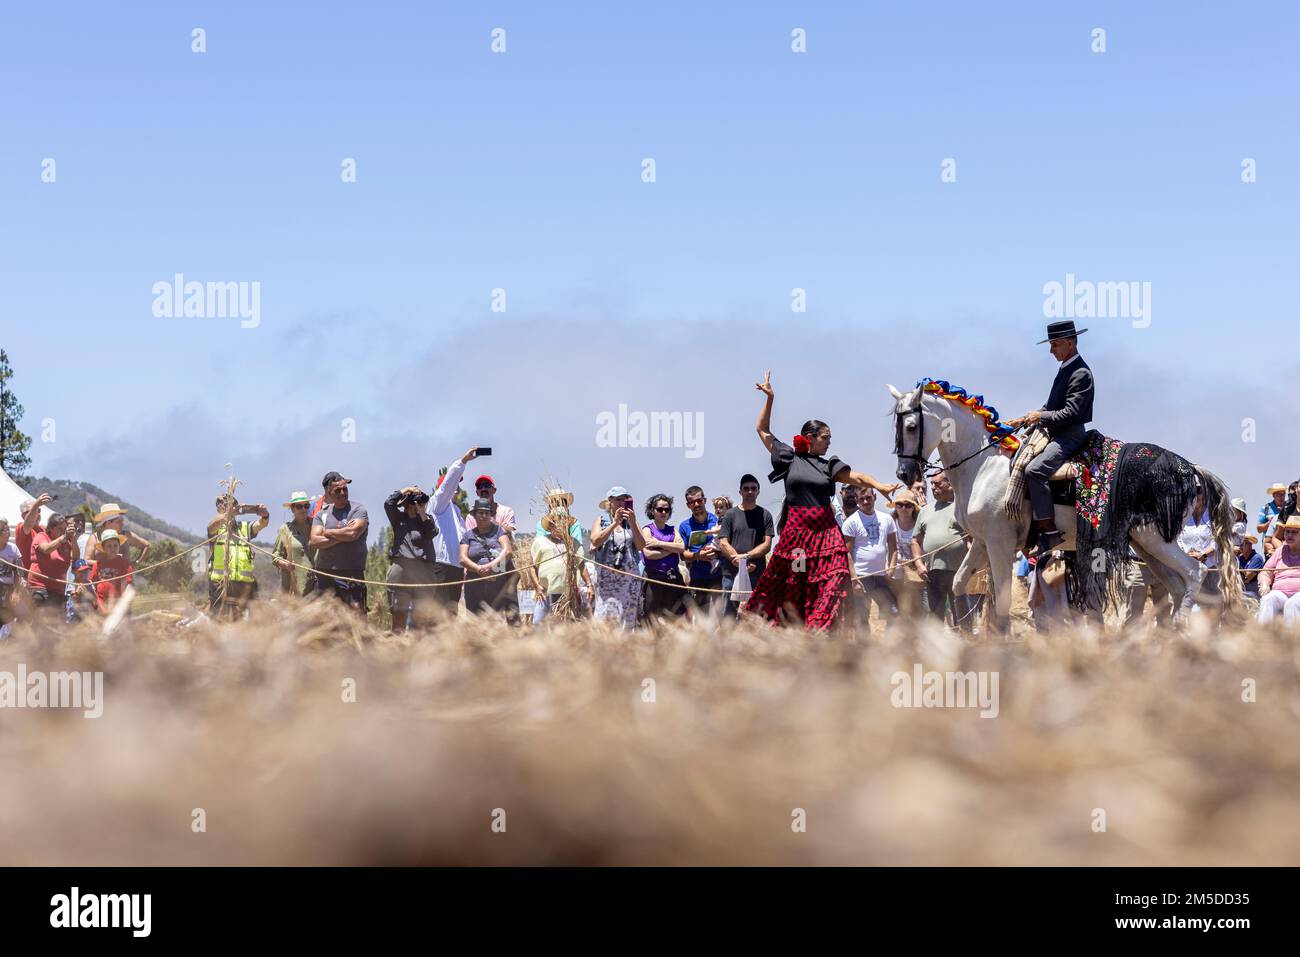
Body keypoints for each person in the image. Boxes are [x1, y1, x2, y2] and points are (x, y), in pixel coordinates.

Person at [744, 371, 900, 630]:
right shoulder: (788, 457)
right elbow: (762, 430)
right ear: (810, 437)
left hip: (827, 533)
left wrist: (880, 485)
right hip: (798, 536)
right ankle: (795, 631)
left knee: (836, 577)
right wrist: (770, 398)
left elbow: (858, 477)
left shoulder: (830, 466)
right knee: (796, 582)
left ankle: (822, 630)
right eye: (825, 437)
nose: (829, 442)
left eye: (829, 438)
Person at [1004, 320, 1096, 556]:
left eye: (1054, 344)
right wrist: (1024, 419)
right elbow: (1051, 405)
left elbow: (1072, 412)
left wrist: (1040, 416)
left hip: (1070, 435)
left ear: (1069, 343)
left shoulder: (1081, 373)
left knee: (1034, 470)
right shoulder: (1066, 368)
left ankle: (1048, 530)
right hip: (1057, 432)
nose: (1051, 350)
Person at [914, 470, 972, 629]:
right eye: (931, 484)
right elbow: (915, 540)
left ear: (950, 484)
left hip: (958, 571)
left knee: (961, 613)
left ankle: (966, 645)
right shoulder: (925, 510)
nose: (932, 487)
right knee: (935, 616)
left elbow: (973, 538)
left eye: (937, 483)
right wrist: (919, 563)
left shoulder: (962, 507)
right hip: (932, 572)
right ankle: (936, 648)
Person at [429, 449, 480, 615]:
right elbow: (446, 486)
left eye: (458, 484)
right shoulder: (438, 503)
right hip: (441, 566)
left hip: (455, 568)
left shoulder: (456, 511)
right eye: (455, 484)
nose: (457, 487)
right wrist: (463, 461)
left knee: (451, 613)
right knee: (438, 613)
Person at [309, 472, 369, 613]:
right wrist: (344, 533)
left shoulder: (358, 510)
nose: (343, 493)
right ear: (329, 492)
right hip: (326, 573)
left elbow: (353, 533)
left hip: (352, 572)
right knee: (325, 616)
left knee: (356, 614)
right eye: (338, 490)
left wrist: (327, 532)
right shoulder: (321, 514)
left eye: (345, 489)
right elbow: (315, 540)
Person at [716, 474, 774, 617]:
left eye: (753, 489)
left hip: (756, 573)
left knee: (755, 616)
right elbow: (723, 542)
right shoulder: (730, 514)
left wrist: (746, 557)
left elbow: (767, 545)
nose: (750, 492)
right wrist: (737, 560)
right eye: (746, 489)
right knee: (728, 616)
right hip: (731, 573)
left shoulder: (765, 515)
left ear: (758, 491)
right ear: (740, 492)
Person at [383, 485, 439, 631]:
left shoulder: (426, 520)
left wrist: (422, 512)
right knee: (399, 613)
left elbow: (432, 532)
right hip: (401, 569)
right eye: (413, 502)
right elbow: (388, 504)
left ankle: (419, 650)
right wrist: (405, 490)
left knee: (422, 617)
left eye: (419, 502)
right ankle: (397, 646)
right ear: (406, 504)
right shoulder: (398, 518)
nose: (416, 505)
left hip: (423, 570)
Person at [842, 486, 898, 631]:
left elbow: (893, 548)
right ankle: (864, 650)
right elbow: (846, 553)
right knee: (862, 618)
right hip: (861, 577)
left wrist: (891, 571)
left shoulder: (887, 519)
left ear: (875, 497)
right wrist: (854, 579)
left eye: (868, 497)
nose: (866, 501)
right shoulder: (851, 522)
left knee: (893, 612)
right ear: (856, 500)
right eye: (862, 499)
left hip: (882, 576)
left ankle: (890, 647)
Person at [589, 486, 646, 628]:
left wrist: (632, 522)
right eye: (618, 500)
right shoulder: (601, 520)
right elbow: (595, 540)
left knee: (626, 618)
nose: (622, 503)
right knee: (604, 616)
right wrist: (615, 523)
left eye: (624, 499)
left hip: (629, 579)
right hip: (606, 579)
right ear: (610, 502)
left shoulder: (632, 521)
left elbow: (641, 546)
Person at [207, 495, 269, 619]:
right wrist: (229, 514)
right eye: (224, 505)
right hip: (221, 583)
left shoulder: (244, 527)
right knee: (220, 619)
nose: (228, 507)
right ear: (218, 509)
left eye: (232, 504)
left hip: (244, 585)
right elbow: (210, 526)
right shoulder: (216, 528)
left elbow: (261, 524)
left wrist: (265, 515)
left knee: (246, 622)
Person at [528, 510, 592, 624]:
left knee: (566, 624)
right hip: (545, 592)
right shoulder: (540, 541)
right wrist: (537, 586)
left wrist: (589, 585)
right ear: (551, 525)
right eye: (558, 522)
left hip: (567, 593)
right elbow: (532, 567)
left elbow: (581, 565)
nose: (562, 526)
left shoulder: (573, 543)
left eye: (565, 523)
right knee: (538, 623)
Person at [460, 497, 514, 615]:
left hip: (496, 582)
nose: (484, 515)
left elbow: (507, 551)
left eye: (486, 513)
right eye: (480, 512)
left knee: (495, 620)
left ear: (491, 515)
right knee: (474, 620)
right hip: (474, 583)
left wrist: (490, 566)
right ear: (474, 515)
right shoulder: (467, 536)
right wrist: (478, 569)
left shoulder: (499, 531)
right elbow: (462, 559)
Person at [641, 493, 688, 620]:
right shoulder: (647, 529)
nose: (663, 512)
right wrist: (671, 549)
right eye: (660, 509)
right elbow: (649, 554)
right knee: (651, 618)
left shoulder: (673, 530)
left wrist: (658, 543)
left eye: (667, 510)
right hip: (653, 579)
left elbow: (681, 547)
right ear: (652, 510)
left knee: (673, 617)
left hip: (672, 578)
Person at [26, 510, 78, 619]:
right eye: (60, 529)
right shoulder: (41, 536)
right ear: (50, 528)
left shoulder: (66, 543)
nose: (63, 532)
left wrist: (73, 539)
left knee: (54, 626)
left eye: (64, 529)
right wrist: (63, 538)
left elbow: (76, 557)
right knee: (38, 622)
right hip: (39, 587)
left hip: (58, 590)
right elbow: (46, 549)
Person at [887, 489, 927, 619]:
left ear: (913, 508)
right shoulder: (890, 522)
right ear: (895, 507)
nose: (903, 508)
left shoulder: (920, 524)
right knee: (898, 608)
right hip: (896, 572)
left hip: (915, 572)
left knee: (918, 607)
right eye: (900, 505)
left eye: (908, 505)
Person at [271, 492, 318, 597]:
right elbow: (275, 556)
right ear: (292, 509)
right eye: (299, 506)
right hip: (294, 585)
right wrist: (285, 564)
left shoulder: (316, 526)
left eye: (306, 506)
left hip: (314, 585)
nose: (303, 509)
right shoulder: (285, 529)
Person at [1257, 517, 1300, 625]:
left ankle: (1290, 639)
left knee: (1292, 604)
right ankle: (1261, 637)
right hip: (1280, 593)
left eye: (1294, 532)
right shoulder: (1279, 551)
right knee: (1268, 599)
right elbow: (1266, 571)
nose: (1289, 535)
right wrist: (1264, 583)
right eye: (1287, 532)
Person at [84, 503, 151, 567]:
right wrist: (107, 564)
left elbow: (147, 546)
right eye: (119, 521)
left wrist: (137, 562)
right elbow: (86, 561)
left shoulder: (126, 535)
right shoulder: (94, 538)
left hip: (124, 578)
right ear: (108, 523)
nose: (122, 524)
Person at [90, 529, 133, 614]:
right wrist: (95, 600)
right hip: (101, 603)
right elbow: (92, 583)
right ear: (104, 548)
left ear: (119, 546)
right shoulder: (98, 564)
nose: (112, 548)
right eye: (109, 546)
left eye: (115, 545)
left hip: (117, 602)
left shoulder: (124, 563)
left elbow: (126, 583)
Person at [0, 519, 20, 638]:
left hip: (8, 589)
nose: (8, 533)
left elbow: (19, 572)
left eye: (8, 530)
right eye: (5, 531)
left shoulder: (13, 549)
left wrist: (16, 592)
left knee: (7, 618)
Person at [64, 559, 98, 623]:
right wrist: (77, 592)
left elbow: (95, 601)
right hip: (75, 616)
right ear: (74, 572)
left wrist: (87, 593)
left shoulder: (89, 583)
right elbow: (73, 600)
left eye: (85, 571)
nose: (83, 573)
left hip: (88, 616)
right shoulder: (73, 584)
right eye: (81, 571)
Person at [1238, 533, 1264, 599]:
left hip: (1253, 594)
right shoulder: (1240, 558)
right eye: (1239, 543)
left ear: (1250, 545)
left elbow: (1246, 579)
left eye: (1243, 543)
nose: (1240, 546)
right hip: (1243, 591)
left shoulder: (1257, 558)